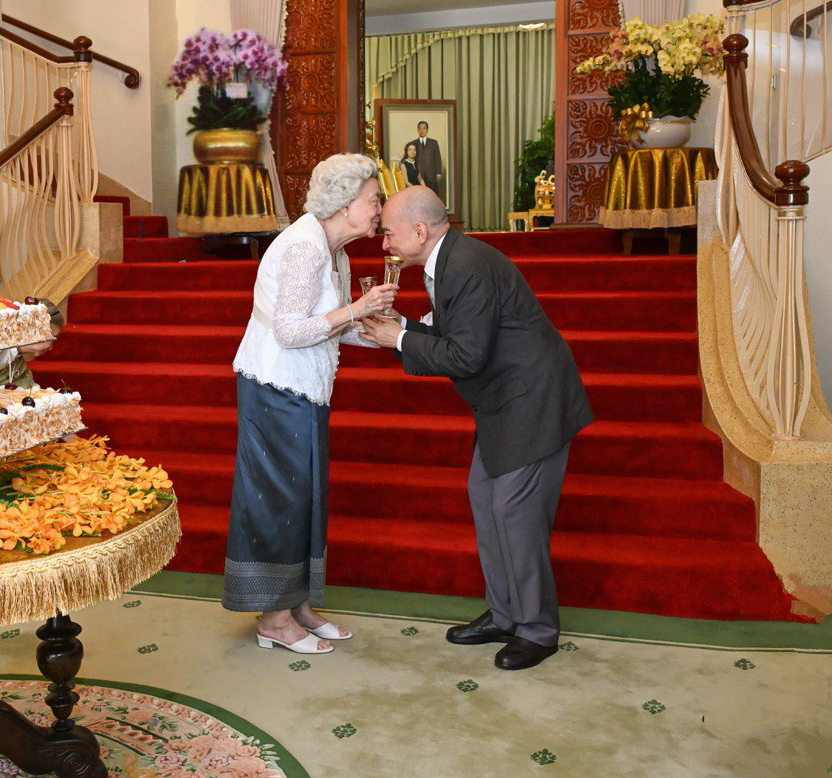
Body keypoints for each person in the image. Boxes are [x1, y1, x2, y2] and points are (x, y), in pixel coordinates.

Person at [358, 186, 592, 671]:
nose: (383, 244)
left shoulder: (464, 264)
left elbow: (466, 355)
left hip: (531, 401)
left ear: (420, 231)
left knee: (514, 513)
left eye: (389, 233)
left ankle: (537, 629)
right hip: (504, 401)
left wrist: (398, 337)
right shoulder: (450, 258)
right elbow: (460, 334)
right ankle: (506, 614)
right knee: (486, 500)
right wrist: (402, 327)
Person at [224, 153, 398, 655]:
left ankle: (296, 605)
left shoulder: (333, 249)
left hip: (304, 387)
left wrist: (386, 331)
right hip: (277, 388)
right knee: (283, 500)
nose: (378, 210)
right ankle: (274, 619)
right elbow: (292, 330)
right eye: (373, 200)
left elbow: (332, 326)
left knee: (305, 497)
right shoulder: (305, 248)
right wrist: (358, 308)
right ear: (344, 203)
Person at [409, 120, 445, 200]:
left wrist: (438, 173)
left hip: (431, 174)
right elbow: (411, 159)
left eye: (424, 128)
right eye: (420, 128)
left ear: (427, 130)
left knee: (433, 196)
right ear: (417, 130)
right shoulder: (413, 143)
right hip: (418, 175)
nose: (422, 131)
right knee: (419, 196)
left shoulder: (434, 143)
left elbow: (437, 158)